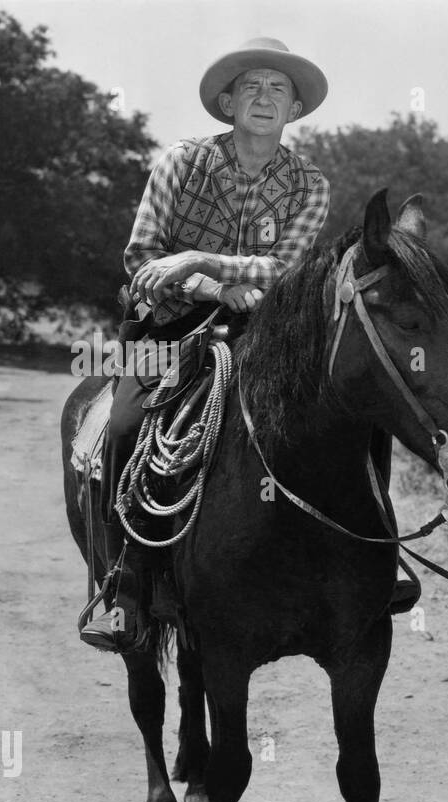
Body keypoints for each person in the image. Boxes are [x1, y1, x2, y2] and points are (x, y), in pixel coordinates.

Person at [80, 37, 331, 651]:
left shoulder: (311, 184)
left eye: (279, 89)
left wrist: (200, 258)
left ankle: (358, 562)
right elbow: (141, 257)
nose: (265, 98)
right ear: (227, 102)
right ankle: (125, 585)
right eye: (252, 87)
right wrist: (212, 284)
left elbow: (290, 270)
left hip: (265, 334)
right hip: (165, 327)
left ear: (295, 110)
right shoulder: (182, 162)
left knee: (337, 411)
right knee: (122, 427)